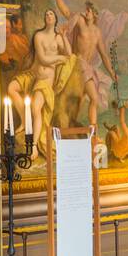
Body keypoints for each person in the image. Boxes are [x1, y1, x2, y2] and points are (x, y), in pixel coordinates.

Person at [6, 9, 76, 166]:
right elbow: (43, 59)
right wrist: (59, 58)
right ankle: (24, 121)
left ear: (56, 19)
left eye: (51, 14)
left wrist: (64, 36)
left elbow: (70, 54)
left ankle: (34, 145)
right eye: (46, 14)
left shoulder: (58, 38)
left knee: (36, 108)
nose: (48, 16)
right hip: (32, 75)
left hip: (44, 81)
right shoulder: (39, 35)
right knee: (11, 88)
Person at [47, 0, 120, 128]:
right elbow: (66, 12)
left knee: (83, 99)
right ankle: (91, 127)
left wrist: (112, 73)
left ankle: (87, 130)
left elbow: (105, 56)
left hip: (87, 68)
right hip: (78, 63)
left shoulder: (98, 33)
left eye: (89, 10)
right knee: (93, 97)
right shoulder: (79, 21)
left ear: (95, 14)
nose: (85, 12)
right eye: (86, 9)